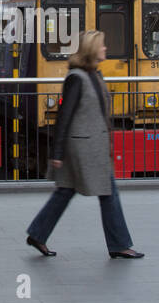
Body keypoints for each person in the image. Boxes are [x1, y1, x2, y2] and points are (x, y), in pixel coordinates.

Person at [24, 30, 143, 259]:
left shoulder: (93, 75)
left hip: (90, 145)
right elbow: (64, 115)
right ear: (91, 49)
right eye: (102, 45)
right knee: (109, 193)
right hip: (83, 148)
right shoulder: (77, 78)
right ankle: (119, 244)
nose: (106, 49)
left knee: (65, 192)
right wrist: (57, 152)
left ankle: (38, 234)